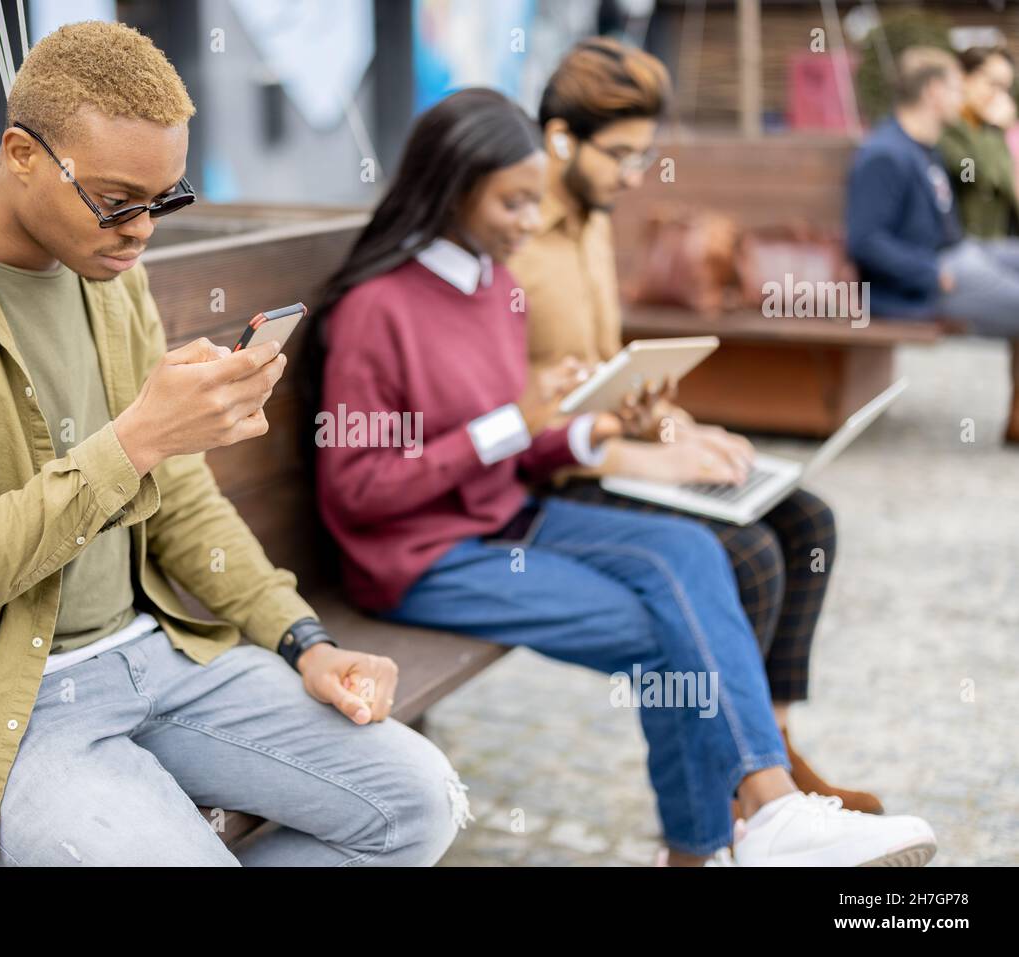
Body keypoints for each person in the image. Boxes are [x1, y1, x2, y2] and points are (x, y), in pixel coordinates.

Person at [0, 21, 465, 867]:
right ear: (20, 153)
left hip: (159, 652)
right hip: (2, 698)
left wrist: (304, 638)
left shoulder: (110, 279)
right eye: (117, 201)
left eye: (164, 199)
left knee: (420, 801)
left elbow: (185, 500)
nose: (141, 231)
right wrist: (137, 440)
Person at [307, 86, 938, 866]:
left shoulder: (498, 289)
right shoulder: (377, 309)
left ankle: (761, 819)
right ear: (450, 187)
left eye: (536, 202)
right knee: (678, 634)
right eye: (512, 203)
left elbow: (520, 443)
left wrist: (583, 427)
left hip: (509, 517)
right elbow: (358, 491)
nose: (530, 222)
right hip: (417, 558)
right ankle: (724, 839)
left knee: (697, 555)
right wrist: (515, 421)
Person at [507, 37, 883, 817]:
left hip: (614, 447)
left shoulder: (591, 219)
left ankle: (776, 746)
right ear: (559, 138)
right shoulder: (513, 238)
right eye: (623, 155)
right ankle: (737, 795)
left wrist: (675, 425)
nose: (637, 175)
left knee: (808, 518)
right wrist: (629, 434)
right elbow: (500, 403)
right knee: (745, 554)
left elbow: (603, 363)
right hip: (551, 474)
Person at [846, 45, 1019, 441]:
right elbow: (865, 240)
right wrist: (929, 272)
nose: (964, 99)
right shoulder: (884, 154)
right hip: (924, 282)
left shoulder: (924, 147)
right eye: (958, 89)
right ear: (934, 92)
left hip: (960, 255)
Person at [938, 46, 1018, 240]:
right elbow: (970, 175)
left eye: (1005, 88)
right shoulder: (947, 127)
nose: (1000, 97)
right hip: (969, 245)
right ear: (964, 78)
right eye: (993, 84)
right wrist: (996, 132)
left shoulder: (997, 127)